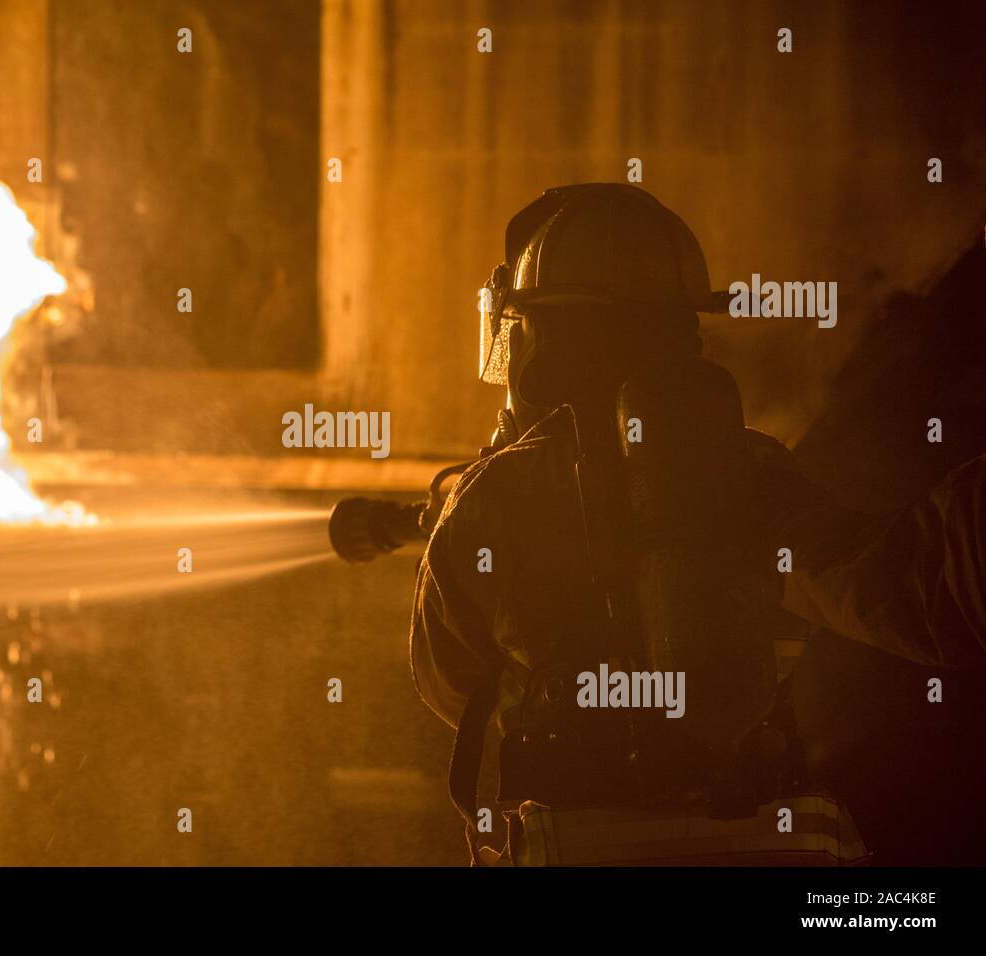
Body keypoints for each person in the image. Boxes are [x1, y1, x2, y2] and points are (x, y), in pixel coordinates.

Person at [410, 184, 986, 865]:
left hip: (577, 844)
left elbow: (446, 683)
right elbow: (878, 586)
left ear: (534, 332)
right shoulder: (756, 467)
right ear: (683, 328)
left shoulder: (493, 495)